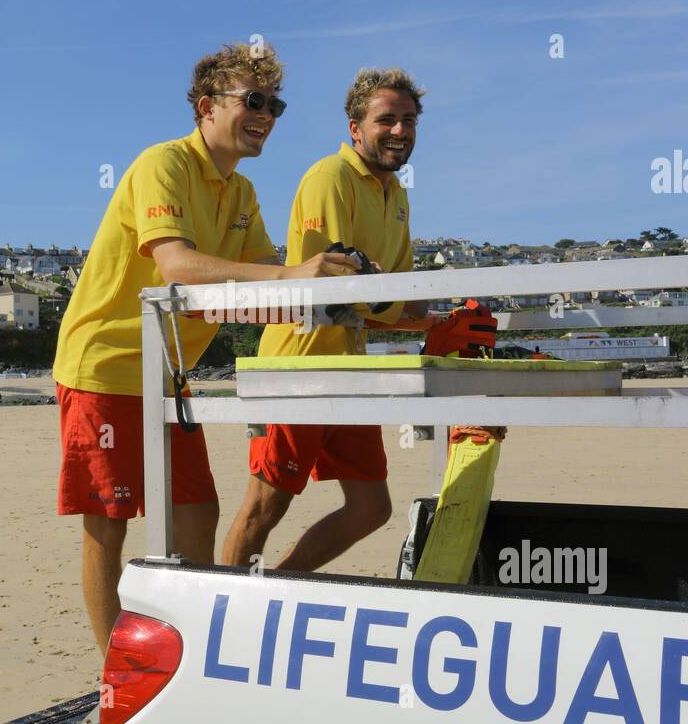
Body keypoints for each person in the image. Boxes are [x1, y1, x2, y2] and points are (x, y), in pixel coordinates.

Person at [52, 43, 358, 653]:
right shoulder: (161, 164)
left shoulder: (240, 195)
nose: (266, 114)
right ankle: (115, 673)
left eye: (275, 104)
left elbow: (266, 277)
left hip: (167, 372)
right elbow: (178, 267)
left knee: (198, 513)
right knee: (107, 526)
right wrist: (294, 278)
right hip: (103, 366)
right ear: (205, 107)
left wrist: (342, 283)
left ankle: (187, 656)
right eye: (253, 100)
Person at [223, 68, 430, 573]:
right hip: (297, 367)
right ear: (355, 128)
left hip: (349, 367)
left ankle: (279, 583)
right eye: (387, 120)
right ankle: (227, 604)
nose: (400, 131)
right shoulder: (328, 178)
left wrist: (441, 319)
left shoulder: (397, 195)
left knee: (370, 508)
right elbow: (333, 288)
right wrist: (398, 304)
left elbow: (394, 296)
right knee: (265, 505)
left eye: (408, 120)